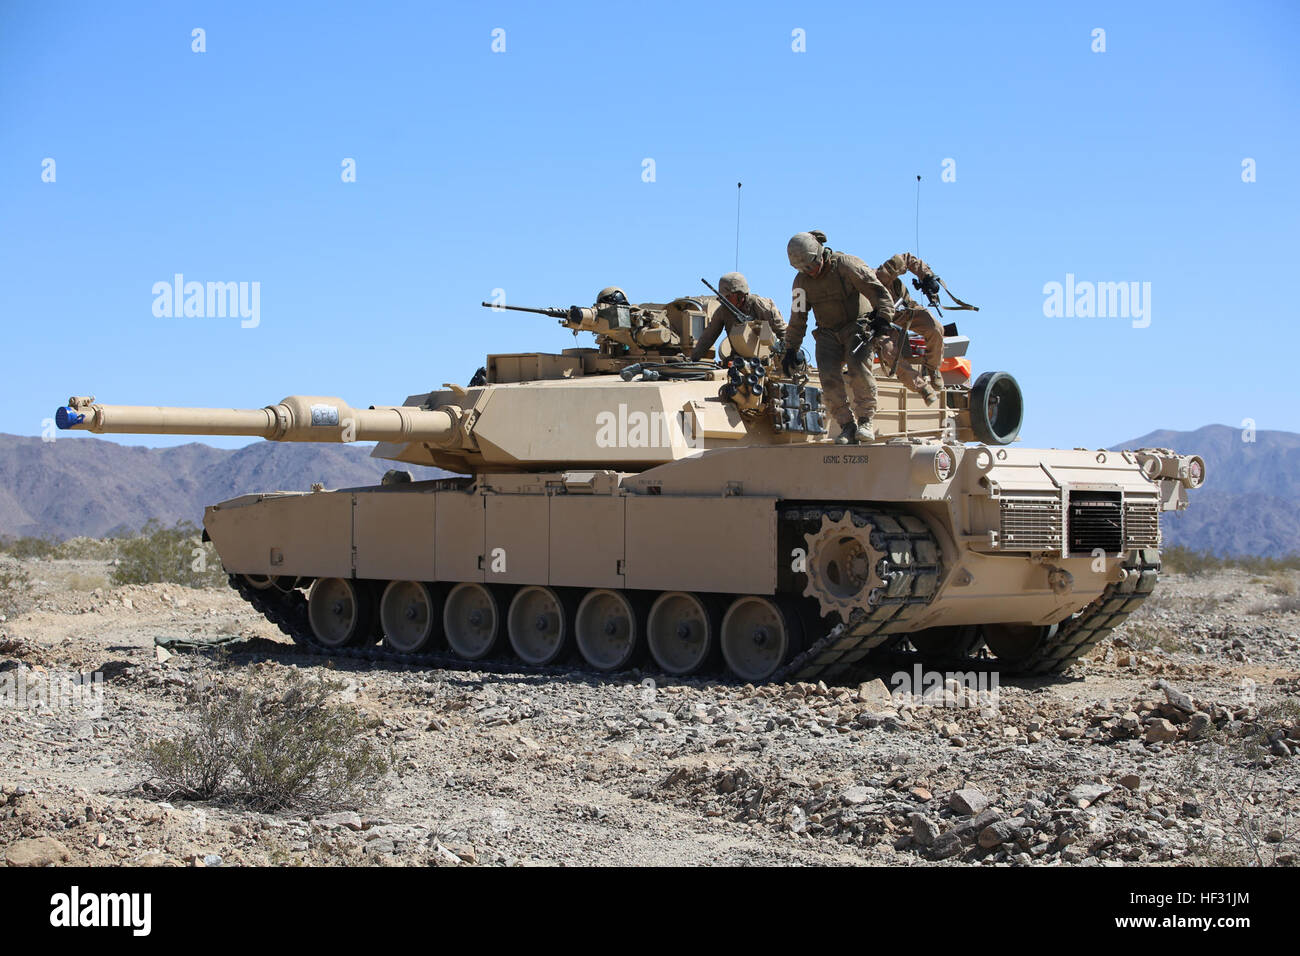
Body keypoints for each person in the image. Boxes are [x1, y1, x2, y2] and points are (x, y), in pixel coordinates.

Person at [782, 231, 895, 444]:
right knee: (828, 377)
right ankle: (847, 426)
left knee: (858, 368)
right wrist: (791, 348)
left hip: (857, 326)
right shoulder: (801, 283)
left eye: (811, 265)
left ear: (820, 255)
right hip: (827, 333)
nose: (809, 272)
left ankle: (865, 421)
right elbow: (798, 318)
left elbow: (877, 291)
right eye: (802, 268)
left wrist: (883, 317)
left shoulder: (846, 266)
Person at [873, 253, 946, 405]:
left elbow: (907, 259)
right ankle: (922, 387)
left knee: (935, 328)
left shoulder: (883, 273)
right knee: (888, 351)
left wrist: (926, 277)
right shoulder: (854, 289)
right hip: (881, 321)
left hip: (904, 309)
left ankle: (933, 368)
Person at [689, 272, 788, 362]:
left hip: (767, 363)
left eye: (728, 296)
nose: (724, 301)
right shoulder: (723, 310)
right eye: (722, 298)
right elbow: (708, 337)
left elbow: (783, 332)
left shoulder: (759, 305)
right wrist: (693, 359)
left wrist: (789, 354)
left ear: (740, 294)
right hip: (738, 362)